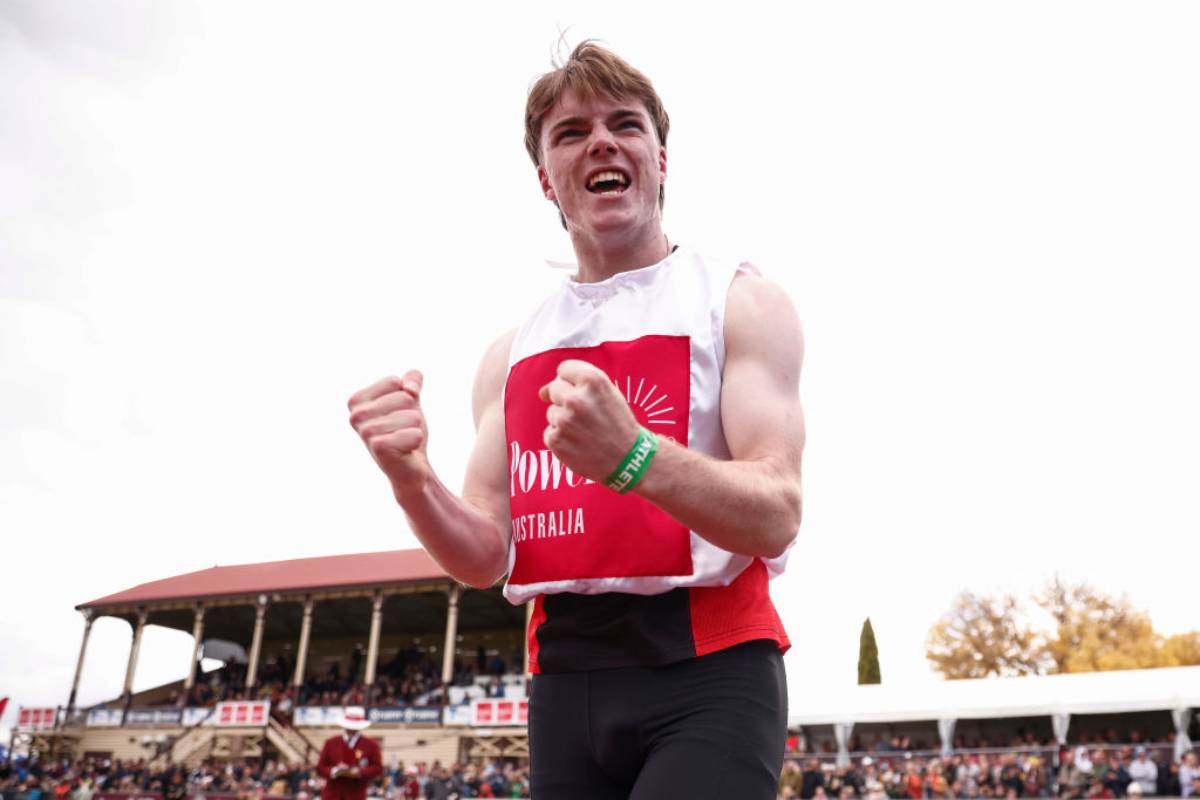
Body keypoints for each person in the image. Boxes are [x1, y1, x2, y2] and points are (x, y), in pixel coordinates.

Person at [349, 41, 803, 799]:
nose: (601, 141)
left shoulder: (740, 302)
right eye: (571, 132)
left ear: (661, 159)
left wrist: (634, 457)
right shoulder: (512, 353)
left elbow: (778, 514)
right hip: (564, 683)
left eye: (625, 124)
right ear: (545, 180)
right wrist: (412, 483)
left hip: (711, 670)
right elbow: (485, 554)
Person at [314, 707, 382, 800]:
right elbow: (320, 767)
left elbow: (377, 768)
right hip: (332, 794)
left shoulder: (371, 745)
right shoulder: (330, 743)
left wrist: (359, 771)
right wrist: (334, 770)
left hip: (356, 794)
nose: (351, 729)